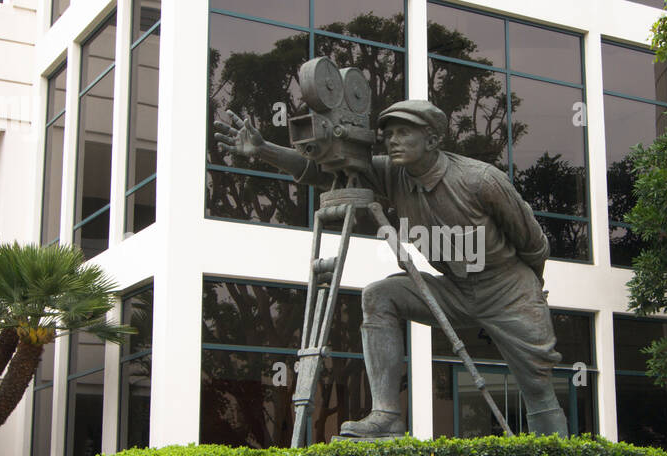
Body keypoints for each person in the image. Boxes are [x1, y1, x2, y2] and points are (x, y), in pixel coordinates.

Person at [211, 98, 569, 438]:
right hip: (455, 289)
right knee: (379, 295)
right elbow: (322, 173)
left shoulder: (480, 180)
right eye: (389, 134)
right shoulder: (393, 175)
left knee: (537, 385)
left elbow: (533, 242)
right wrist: (264, 150)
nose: (392, 141)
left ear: (432, 139)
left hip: (507, 287)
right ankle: (386, 415)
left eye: (403, 133)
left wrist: (531, 292)